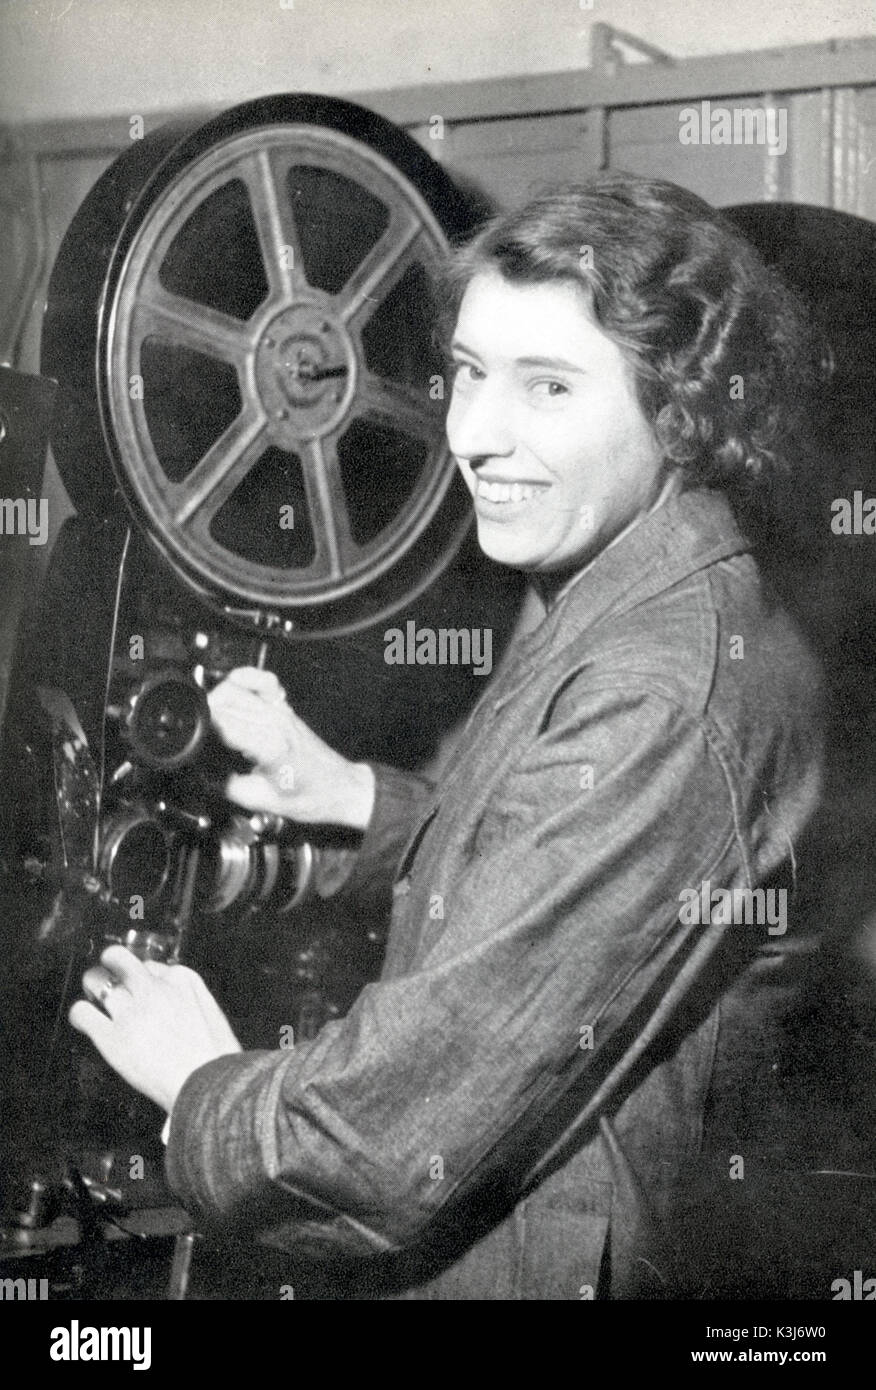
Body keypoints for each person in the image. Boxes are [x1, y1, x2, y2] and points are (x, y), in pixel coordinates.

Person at [70, 173, 826, 1299]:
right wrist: (358, 801)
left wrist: (202, 1082)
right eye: (468, 374)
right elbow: (559, 868)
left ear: (682, 408)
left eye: (548, 387)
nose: (474, 437)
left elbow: (376, 1151)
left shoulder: (668, 689)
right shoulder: (618, 582)